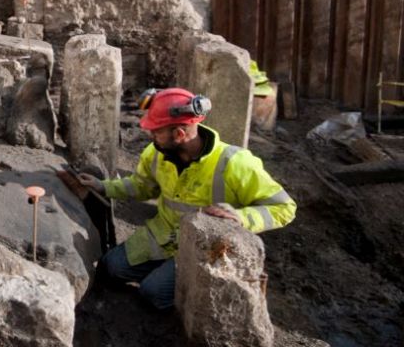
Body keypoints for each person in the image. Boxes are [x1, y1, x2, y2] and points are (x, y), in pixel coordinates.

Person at [69, 88, 296, 310]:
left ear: (179, 134)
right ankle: (165, 274)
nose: (151, 136)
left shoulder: (235, 163)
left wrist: (241, 217)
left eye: (157, 131)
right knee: (111, 267)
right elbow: (142, 187)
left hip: (203, 249)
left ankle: (193, 295)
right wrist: (103, 187)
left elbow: (284, 207)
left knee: (152, 293)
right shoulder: (157, 153)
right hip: (163, 236)